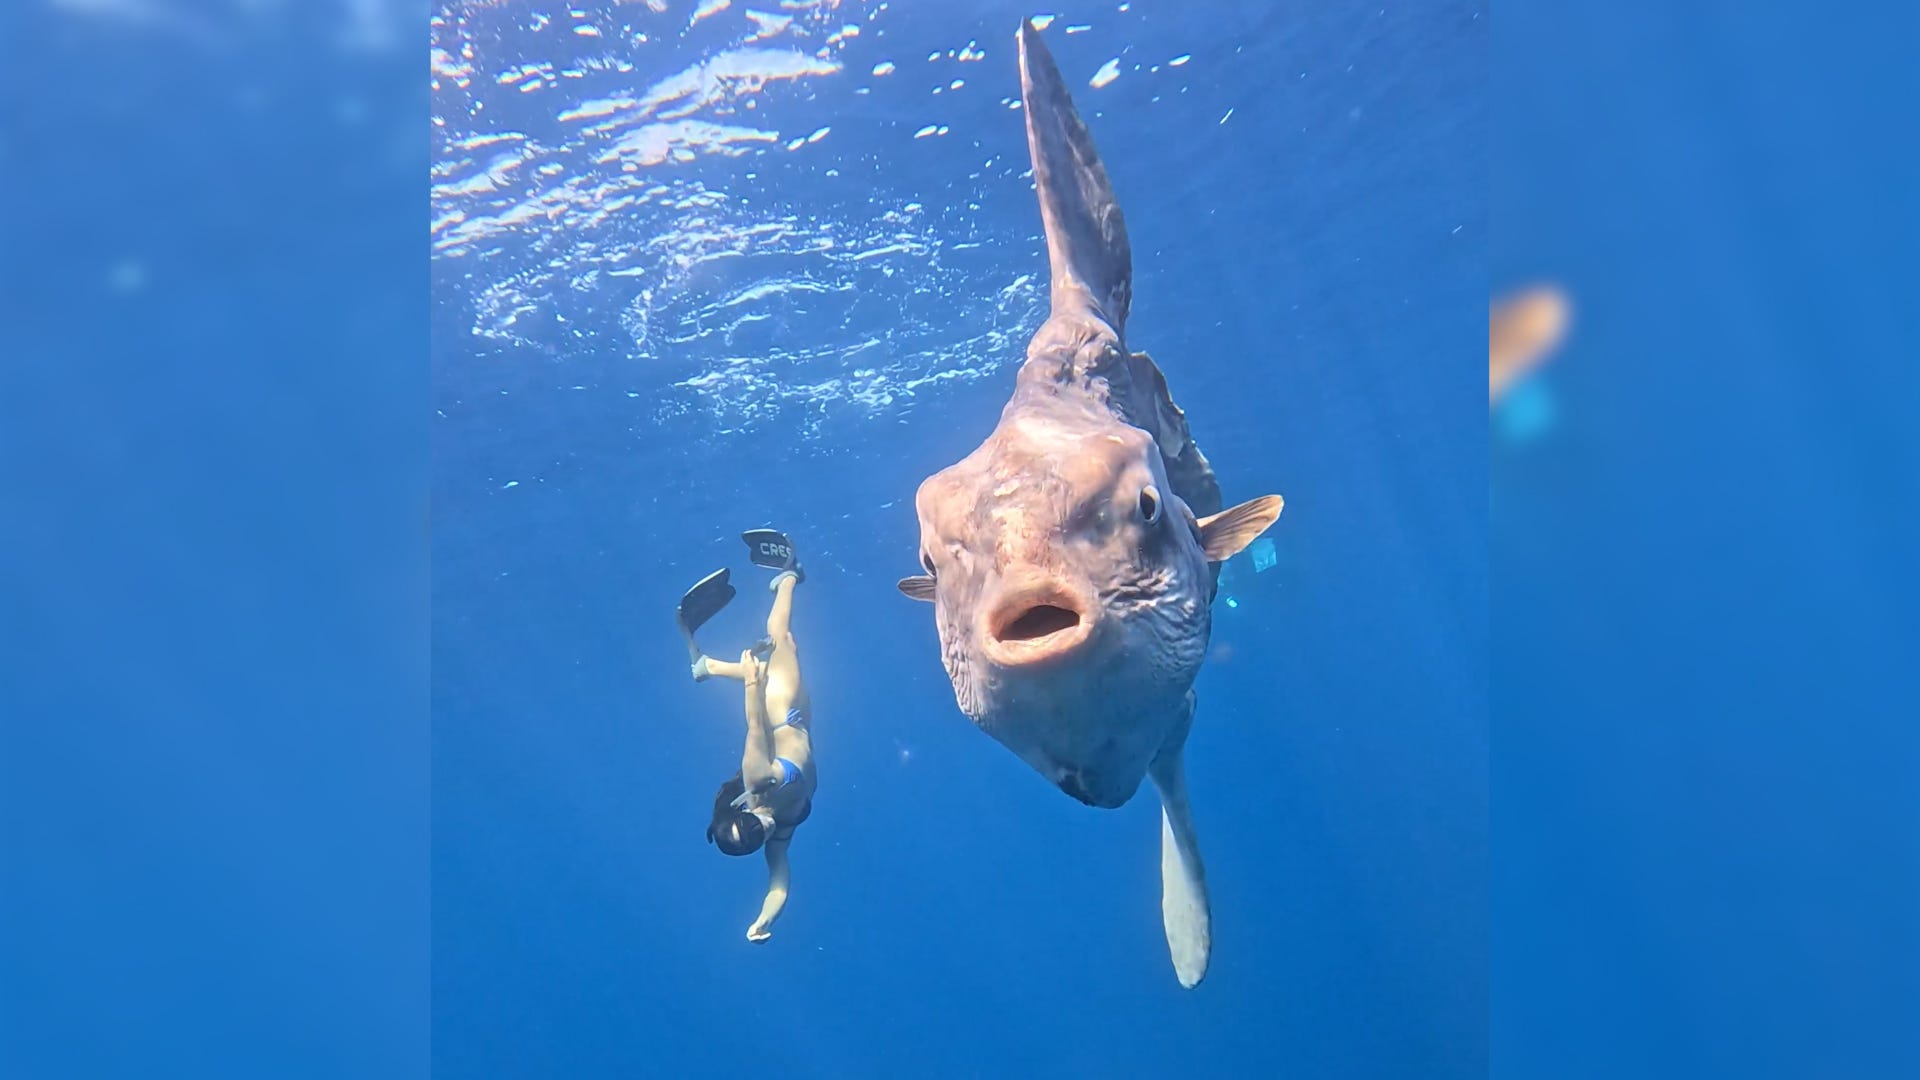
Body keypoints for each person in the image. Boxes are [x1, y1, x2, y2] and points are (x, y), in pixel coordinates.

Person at [675, 530, 814, 943]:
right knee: (774, 656)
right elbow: (779, 883)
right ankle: (706, 666)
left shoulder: (757, 781)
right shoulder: (780, 829)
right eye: (761, 838)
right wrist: (764, 919)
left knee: (780, 635)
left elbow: (755, 728)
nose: (767, 828)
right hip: (799, 716)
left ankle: (790, 575)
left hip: (779, 711)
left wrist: (751, 683)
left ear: (745, 812)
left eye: (757, 825)